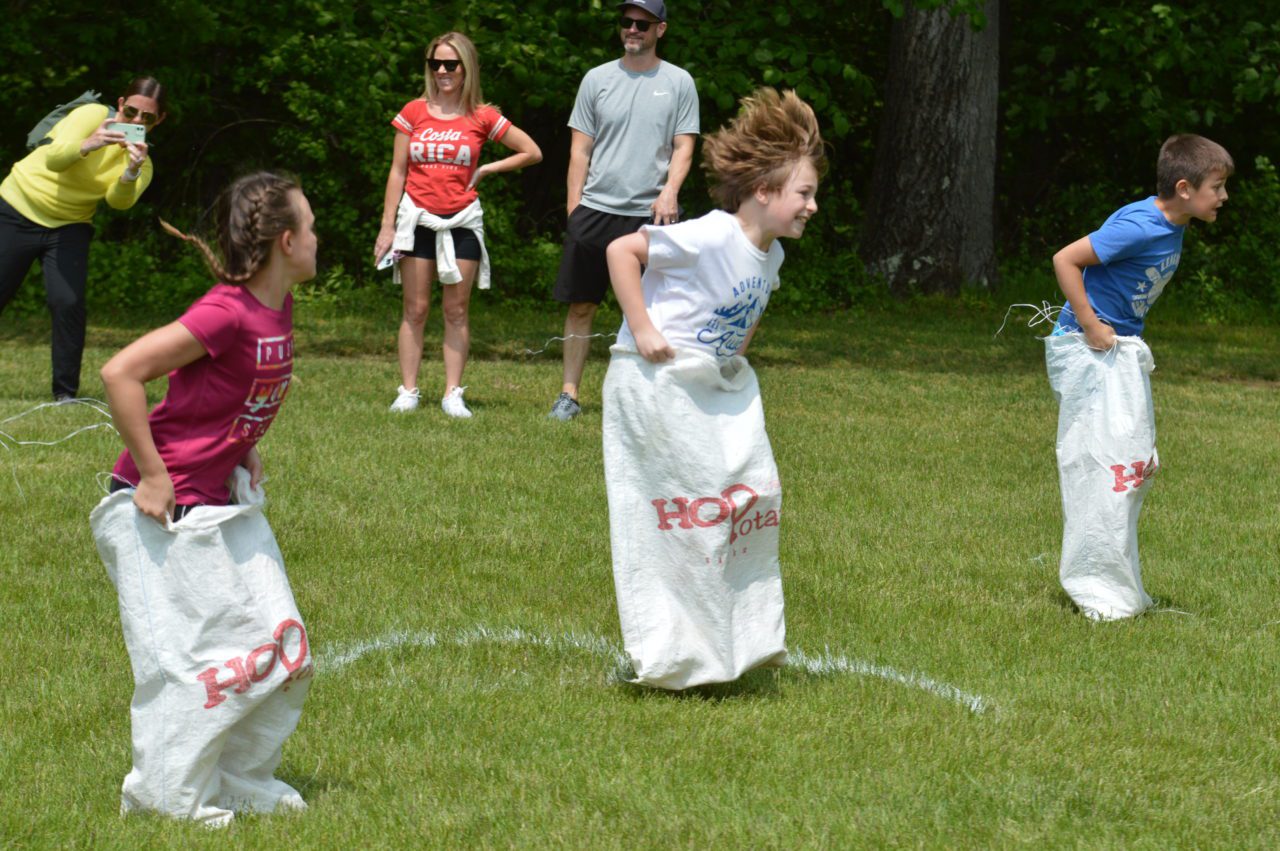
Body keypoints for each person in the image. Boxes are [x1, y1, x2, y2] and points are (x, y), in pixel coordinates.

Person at [93, 172, 317, 824]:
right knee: (197, 665)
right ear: (285, 240)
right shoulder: (227, 310)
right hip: (158, 510)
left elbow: (229, 388)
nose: (317, 235)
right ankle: (169, 796)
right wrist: (155, 473)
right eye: (309, 224)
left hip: (215, 497)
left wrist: (239, 440)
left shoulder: (278, 306)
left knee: (282, 647)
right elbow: (121, 372)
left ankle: (241, 776)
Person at [601, 88, 825, 689]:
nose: (812, 206)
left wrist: (731, 366)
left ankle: (734, 641)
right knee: (686, 517)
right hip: (653, 387)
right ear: (763, 191)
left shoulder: (770, 255)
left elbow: (743, 321)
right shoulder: (709, 235)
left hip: (707, 390)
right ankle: (674, 654)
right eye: (803, 193)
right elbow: (622, 250)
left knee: (744, 504)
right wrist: (643, 329)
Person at [1047, 134, 1232, 620]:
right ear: (1186, 187)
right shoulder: (1140, 226)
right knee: (1110, 471)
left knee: (1134, 467)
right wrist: (1090, 326)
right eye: (1218, 186)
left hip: (1115, 353)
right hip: (1087, 351)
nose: (1225, 197)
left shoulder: (1175, 224)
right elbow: (1065, 259)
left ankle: (1115, 584)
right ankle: (1097, 592)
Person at [374, 31, 542, 417]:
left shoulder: (481, 116)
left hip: (462, 220)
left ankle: (452, 393)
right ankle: (409, 391)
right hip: (416, 218)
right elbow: (397, 172)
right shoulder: (414, 111)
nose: (444, 71)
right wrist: (387, 226)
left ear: (467, 68)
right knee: (415, 309)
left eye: (452, 64)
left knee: (456, 310)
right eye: (436, 63)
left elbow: (531, 152)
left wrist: (485, 169)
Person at [547, 0, 699, 420]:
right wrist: (574, 209)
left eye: (642, 24)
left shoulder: (679, 82)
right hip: (595, 210)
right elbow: (580, 149)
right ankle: (568, 396)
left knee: (655, 311)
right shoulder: (596, 79)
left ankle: (655, 399)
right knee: (581, 306)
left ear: (660, 30)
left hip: (653, 214)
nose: (632, 30)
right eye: (626, 22)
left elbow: (685, 145)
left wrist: (670, 192)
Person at [0, 76, 167, 400]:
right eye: (132, 112)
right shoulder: (91, 115)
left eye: (147, 118)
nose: (136, 121)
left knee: (68, 302)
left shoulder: (143, 162)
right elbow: (54, 158)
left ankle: (65, 394)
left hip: (69, 225)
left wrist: (130, 170)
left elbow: (118, 202)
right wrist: (91, 143)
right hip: (17, 206)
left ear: (158, 120)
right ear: (121, 104)